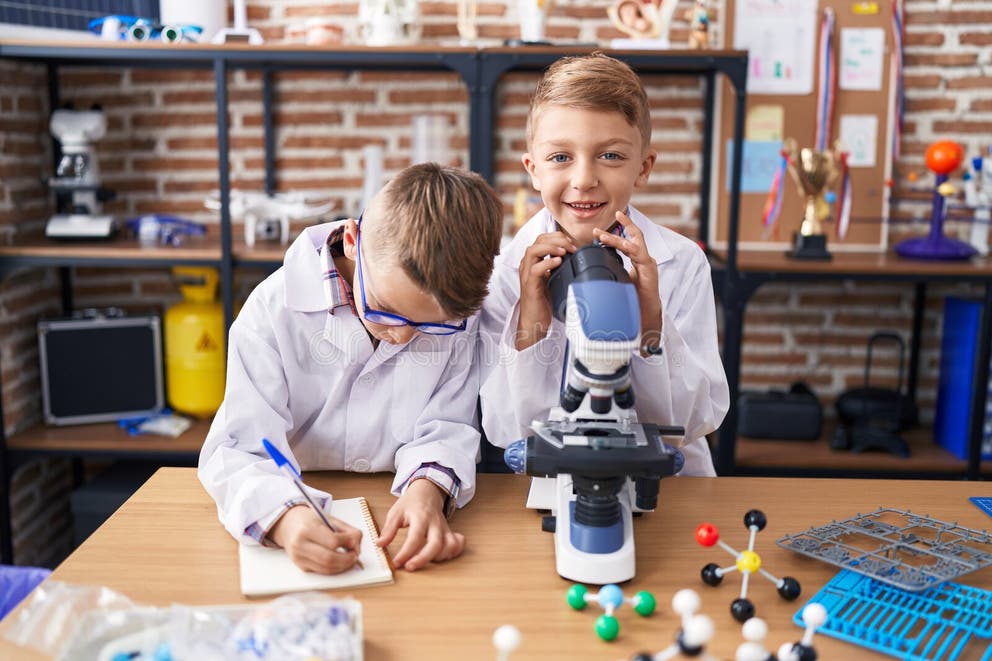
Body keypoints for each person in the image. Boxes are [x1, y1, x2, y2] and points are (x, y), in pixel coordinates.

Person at [200, 163, 503, 573]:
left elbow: (448, 424)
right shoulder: (269, 313)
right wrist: (286, 519)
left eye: (431, 325)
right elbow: (238, 450)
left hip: (390, 512)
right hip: (297, 502)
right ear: (352, 240)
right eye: (386, 311)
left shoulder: (456, 318)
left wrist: (426, 493)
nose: (404, 337)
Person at [479, 53, 728, 475]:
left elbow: (690, 422)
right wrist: (531, 325)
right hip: (553, 481)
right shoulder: (506, 270)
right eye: (561, 157)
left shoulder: (682, 264)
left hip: (674, 488)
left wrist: (650, 320)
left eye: (610, 156)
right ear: (532, 169)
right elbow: (506, 430)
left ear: (643, 167)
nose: (583, 179)